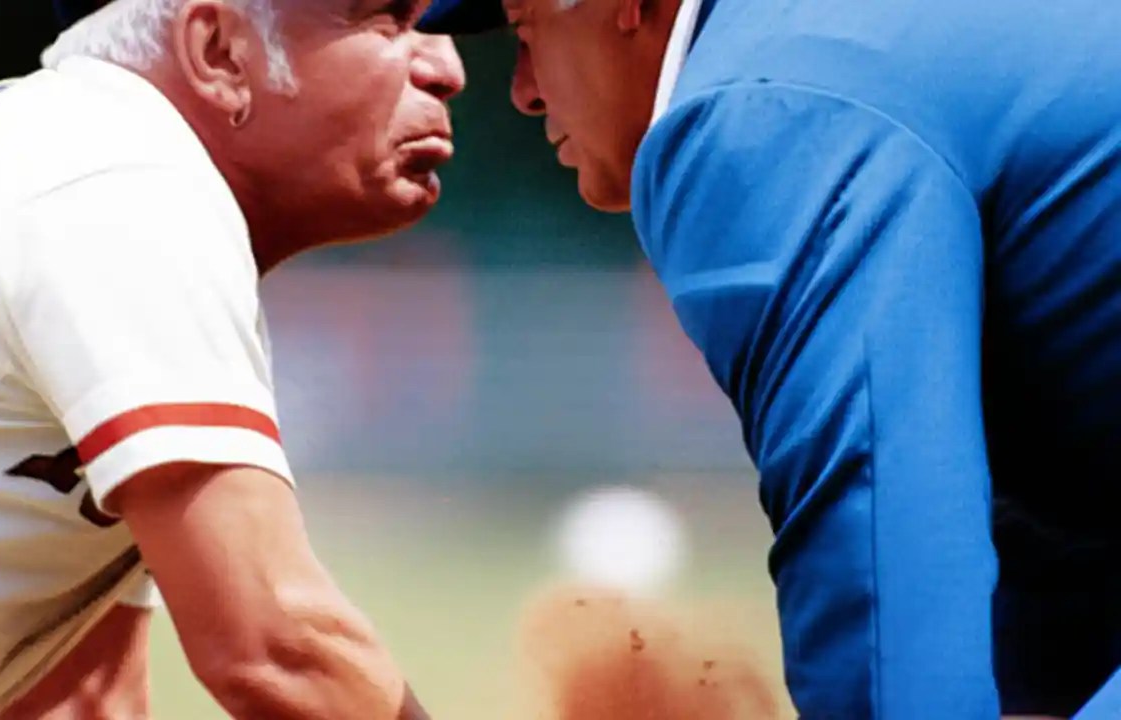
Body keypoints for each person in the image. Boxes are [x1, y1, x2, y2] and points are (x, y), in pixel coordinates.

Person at [417, 0, 1121, 718]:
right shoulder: (828, 38)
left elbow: (881, 593)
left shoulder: (758, 112)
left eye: (524, 29)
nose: (522, 88)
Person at [0, 0, 462, 717]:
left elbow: (84, 699)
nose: (445, 67)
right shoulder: (127, 183)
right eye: (384, 18)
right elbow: (274, 646)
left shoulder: (74, 161)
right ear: (220, 52)